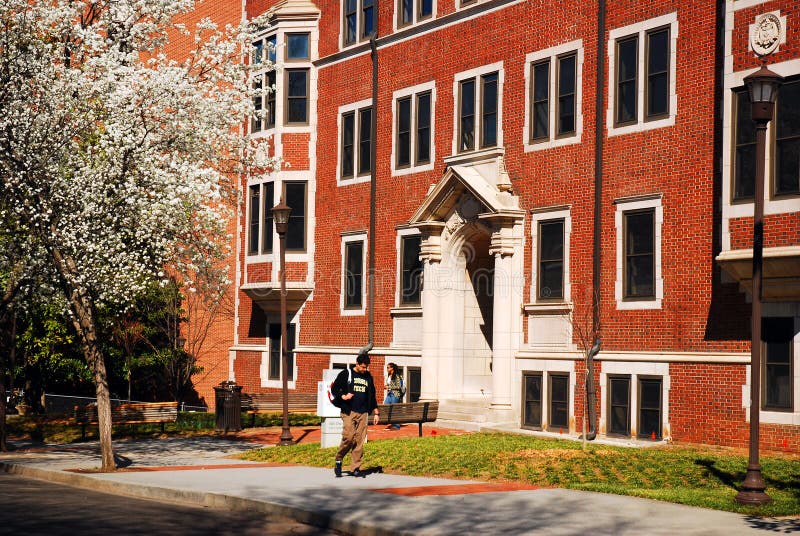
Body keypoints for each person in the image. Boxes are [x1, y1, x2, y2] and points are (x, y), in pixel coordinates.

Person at [331, 352, 379, 477]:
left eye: (366, 367)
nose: (364, 369)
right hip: (349, 411)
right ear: (357, 364)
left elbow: (372, 394)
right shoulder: (346, 373)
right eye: (363, 367)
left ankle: (356, 468)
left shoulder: (368, 376)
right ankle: (339, 458)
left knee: (359, 440)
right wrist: (343, 396)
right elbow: (334, 388)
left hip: (363, 412)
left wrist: (376, 412)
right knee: (349, 437)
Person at [383, 362, 405, 430]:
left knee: (394, 409)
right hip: (390, 394)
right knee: (385, 406)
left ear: (392, 368)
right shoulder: (390, 376)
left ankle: (396, 425)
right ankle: (393, 422)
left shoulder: (397, 376)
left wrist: (389, 387)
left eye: (388, 367)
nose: (387, 369)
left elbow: (399, 386)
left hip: (395, 394)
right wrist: (387, 386)